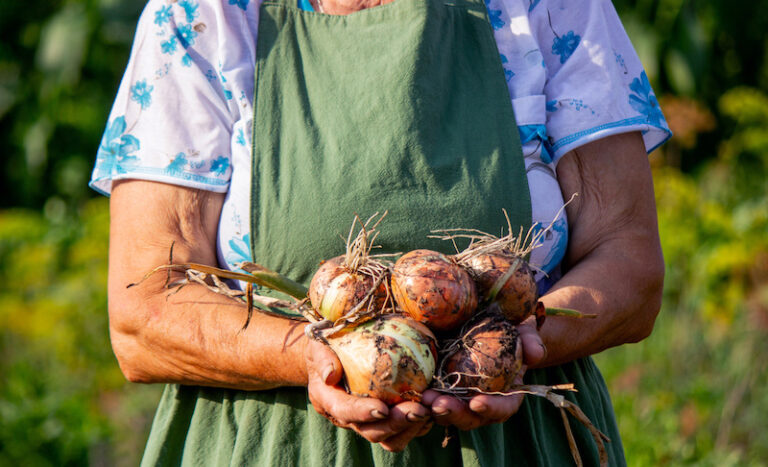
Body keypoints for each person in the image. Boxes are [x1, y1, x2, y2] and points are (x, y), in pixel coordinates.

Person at [91, 0, 670, 464]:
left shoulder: (552, 8)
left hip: (517, 443)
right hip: (272, 445)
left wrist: (518, 349)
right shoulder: (202, 16)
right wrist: (316, 359)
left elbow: (631, 266)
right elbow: (144, 315)